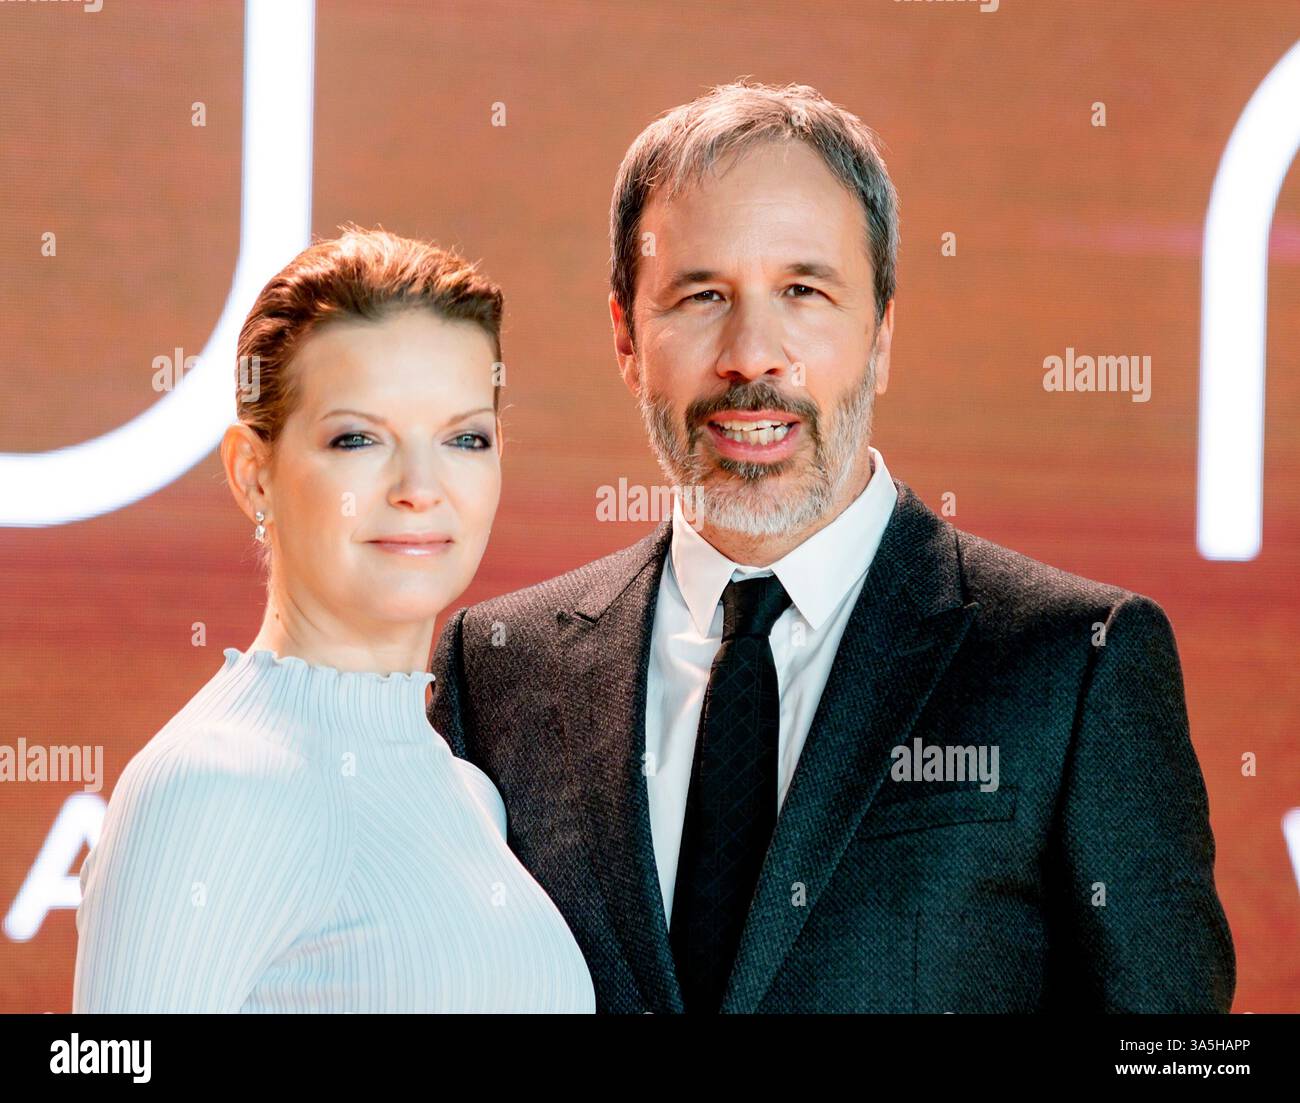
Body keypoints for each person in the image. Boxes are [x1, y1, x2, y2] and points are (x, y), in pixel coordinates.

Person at [429, 81, 1236, 1013]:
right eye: (701, 296)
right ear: (625, 336)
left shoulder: (1077, 663)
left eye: (803, 292)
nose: (752, 355)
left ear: (882, 332)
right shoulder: (497, 673)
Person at [73, 228, 595, 1013]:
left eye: (464, 437)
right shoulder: (208, 786)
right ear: (254, 475)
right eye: (358, 437)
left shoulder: (468, 792)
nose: (422, 485)